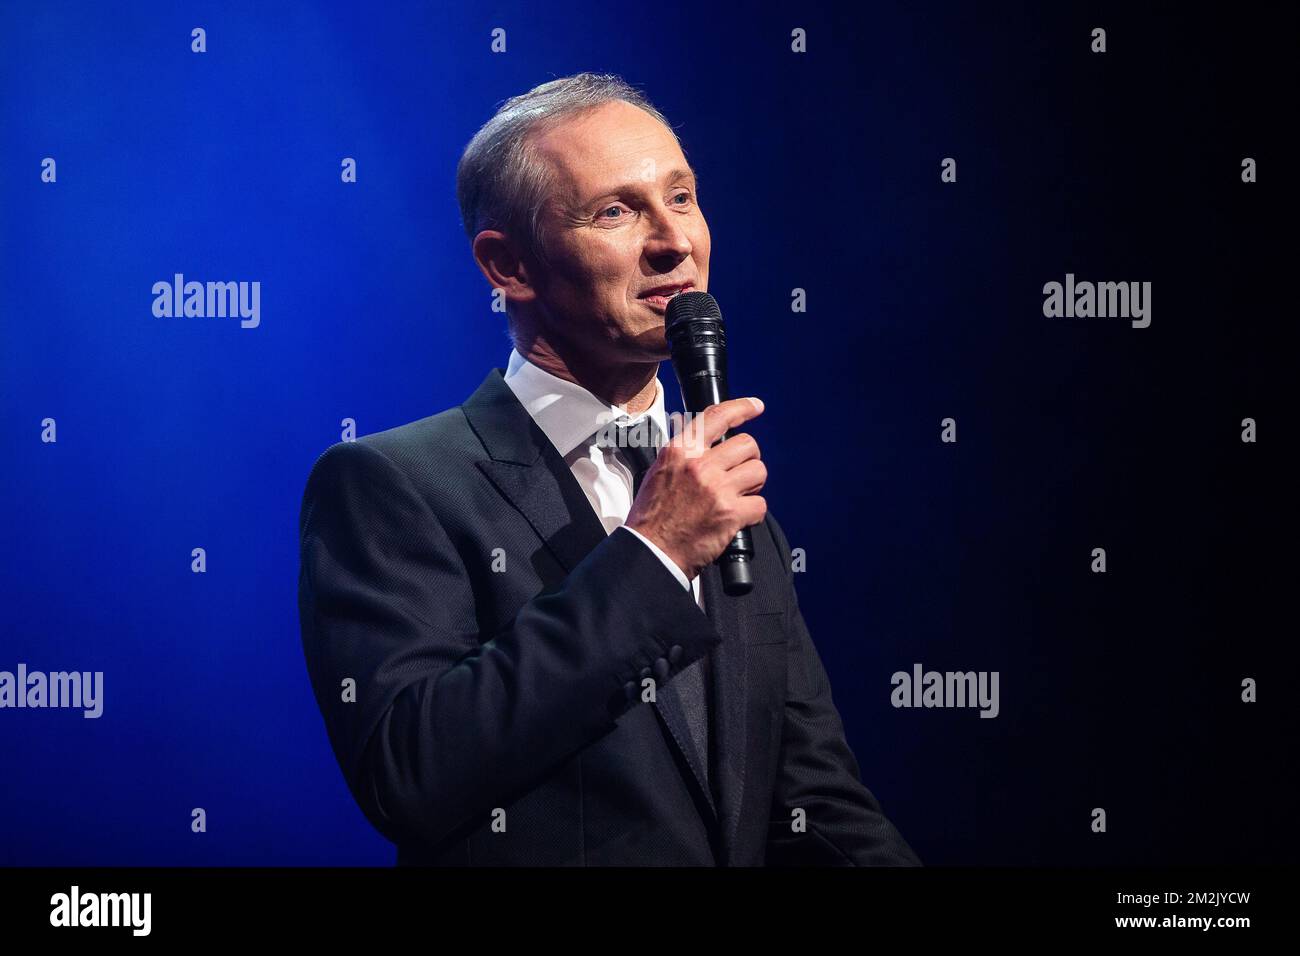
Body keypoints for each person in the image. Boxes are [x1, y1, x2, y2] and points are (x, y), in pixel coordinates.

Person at [297, 72, 920, 866]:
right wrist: (653, 552)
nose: (675, 242)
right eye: (616, 212)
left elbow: (816, 801)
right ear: (507, 266)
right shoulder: (392, 484)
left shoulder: (724, 502)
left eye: (683, 197)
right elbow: (410, 773)